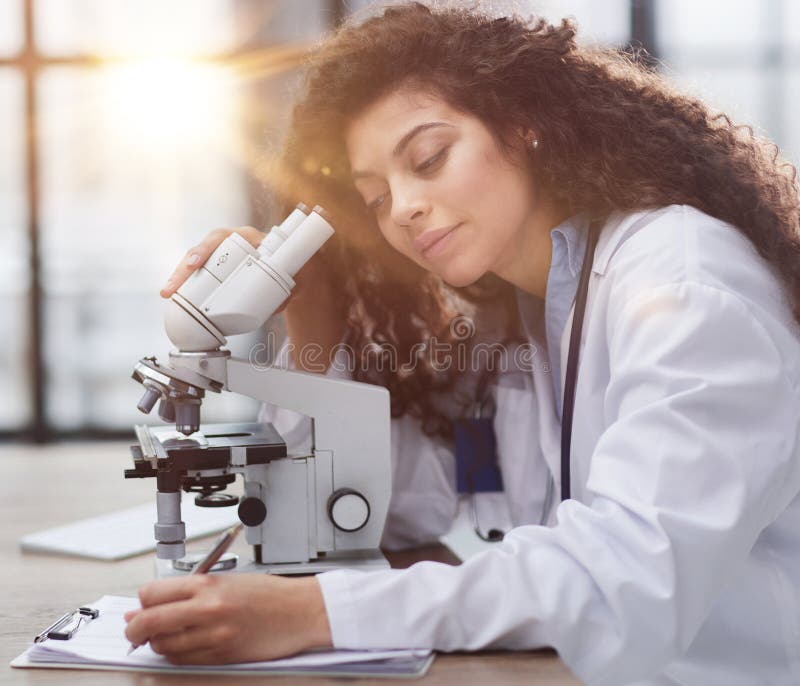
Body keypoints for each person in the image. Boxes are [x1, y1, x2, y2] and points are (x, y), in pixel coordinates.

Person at [124, 3, 800, 684]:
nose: (403, 207)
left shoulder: (683, 282)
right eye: (375, 197)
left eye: (428, 158)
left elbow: (625, 575)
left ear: (521, 124)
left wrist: (315, 613)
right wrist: (312, 316)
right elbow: (396, 510)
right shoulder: (522, 310)